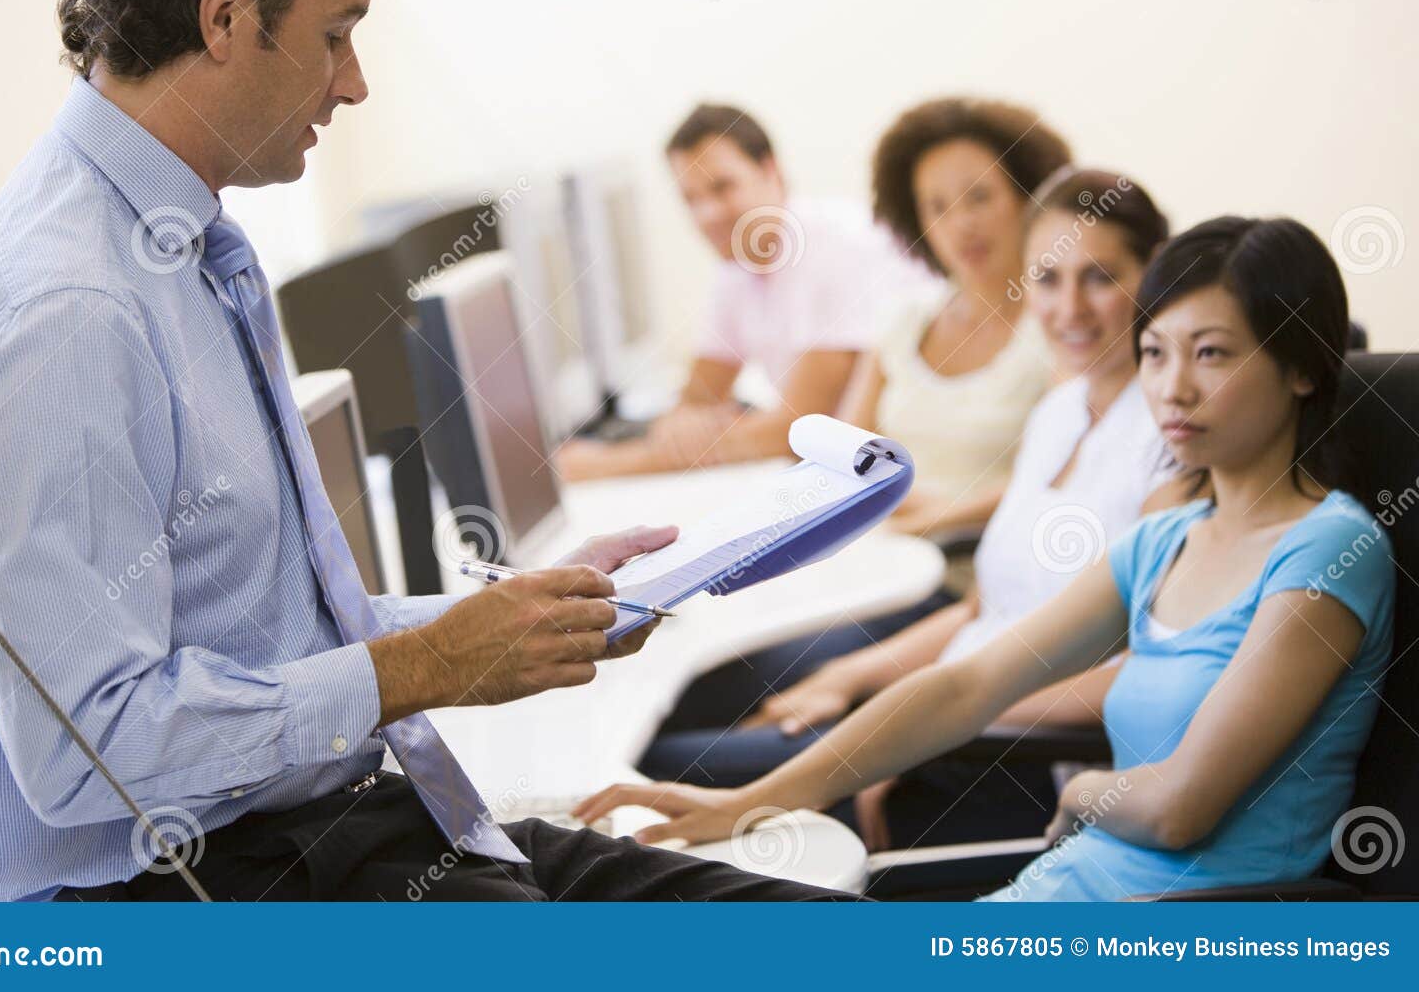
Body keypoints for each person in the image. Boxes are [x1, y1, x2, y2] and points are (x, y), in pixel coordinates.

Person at [0, 0, 853, 903]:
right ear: (224, 16)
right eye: (335, 36)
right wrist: (432, 666)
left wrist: (504, 623)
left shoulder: (182, 246)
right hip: (192, 892)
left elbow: (269, 644)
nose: (354, 83)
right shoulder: (69, 309)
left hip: (317, 831)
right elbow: (88, 746)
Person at [578, 217, 1395, 901]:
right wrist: (748, 804)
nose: (1173, 387)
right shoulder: (1161, 543)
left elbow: (1183, 808)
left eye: (1212, 353)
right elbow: (968, 684)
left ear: (1301, 367)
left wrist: (1080, 794)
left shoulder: (1329, 547)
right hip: (1057, 894)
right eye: (1155, 351)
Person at [640, 170, 1185, 848]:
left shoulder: (1171, 439)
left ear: (1155, 276)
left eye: (1099, 276)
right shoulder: (1057, 414)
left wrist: (927, 729)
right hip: (951, 714)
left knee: (667, 770)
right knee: (711, 732)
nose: (1069, 306)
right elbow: (981, 612)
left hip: (1017, 758)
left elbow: (1149, 674)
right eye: (1047, 278)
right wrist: (853, 677)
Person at [555, 104, 932, 480]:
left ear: (771, 172)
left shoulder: (837, 246)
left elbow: (799, 430)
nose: (707, 214)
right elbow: (697, 400)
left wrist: (597, 465)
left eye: (722, 187)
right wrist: (689, 426)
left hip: (912, 477)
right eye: (691, 198)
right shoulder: (737, 264)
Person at [843, 97, 1071, 539]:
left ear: (1029, 199)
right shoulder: (902, 321)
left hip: (976, 565)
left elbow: (1057, 478)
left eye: (980, 197)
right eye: (938, 206)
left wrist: (925, 519)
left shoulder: (1064, 326)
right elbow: (841, 456)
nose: (961, 223)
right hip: (881, 557)